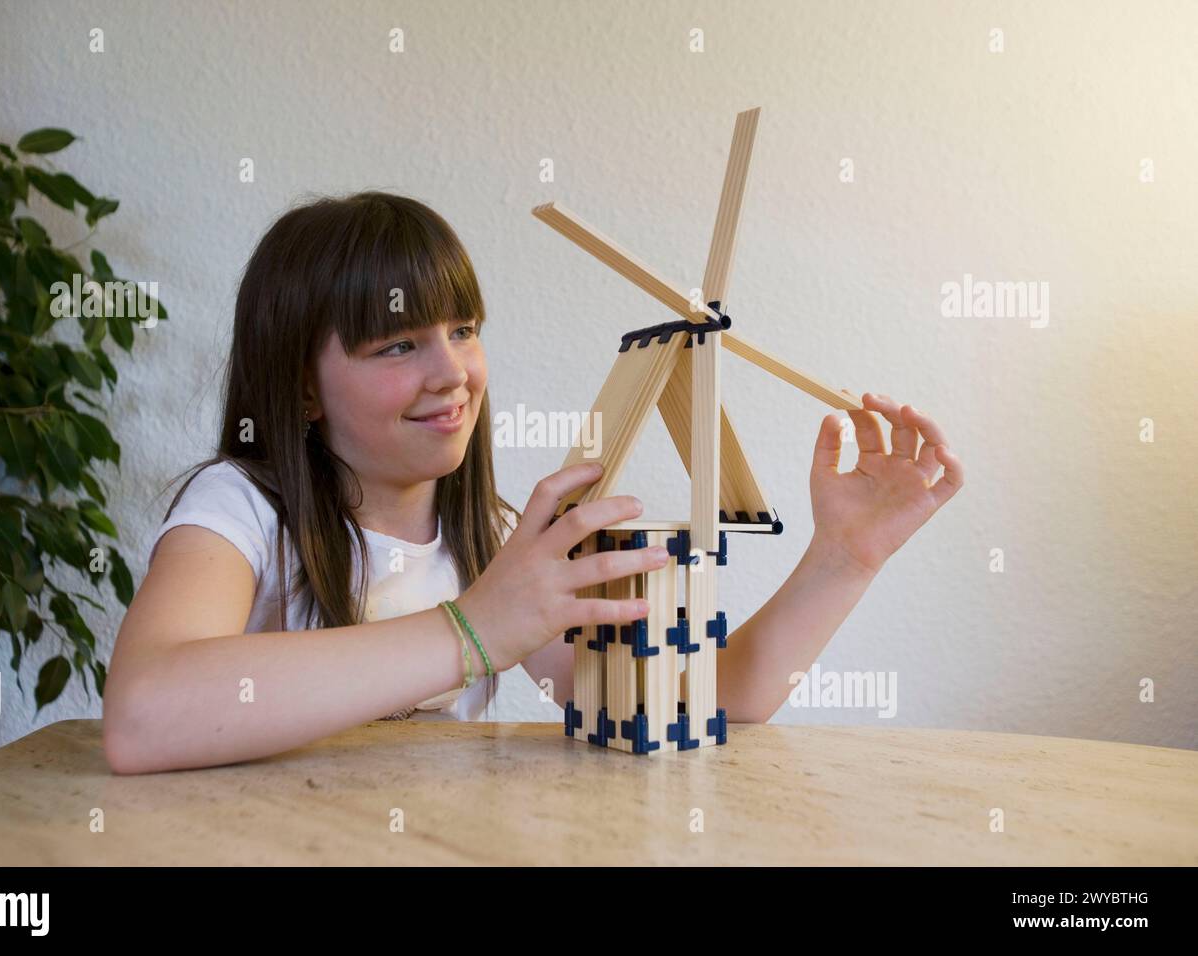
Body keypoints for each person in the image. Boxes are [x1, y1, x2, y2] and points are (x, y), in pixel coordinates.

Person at [102, 191, 963, 775]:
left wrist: (843, 560)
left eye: (464, 330)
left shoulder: (497, 539)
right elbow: (143, 717)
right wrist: (475, 630)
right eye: (398, 345)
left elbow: (701, 701)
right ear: (298, 386)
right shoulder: (240, 508)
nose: (454, 374)